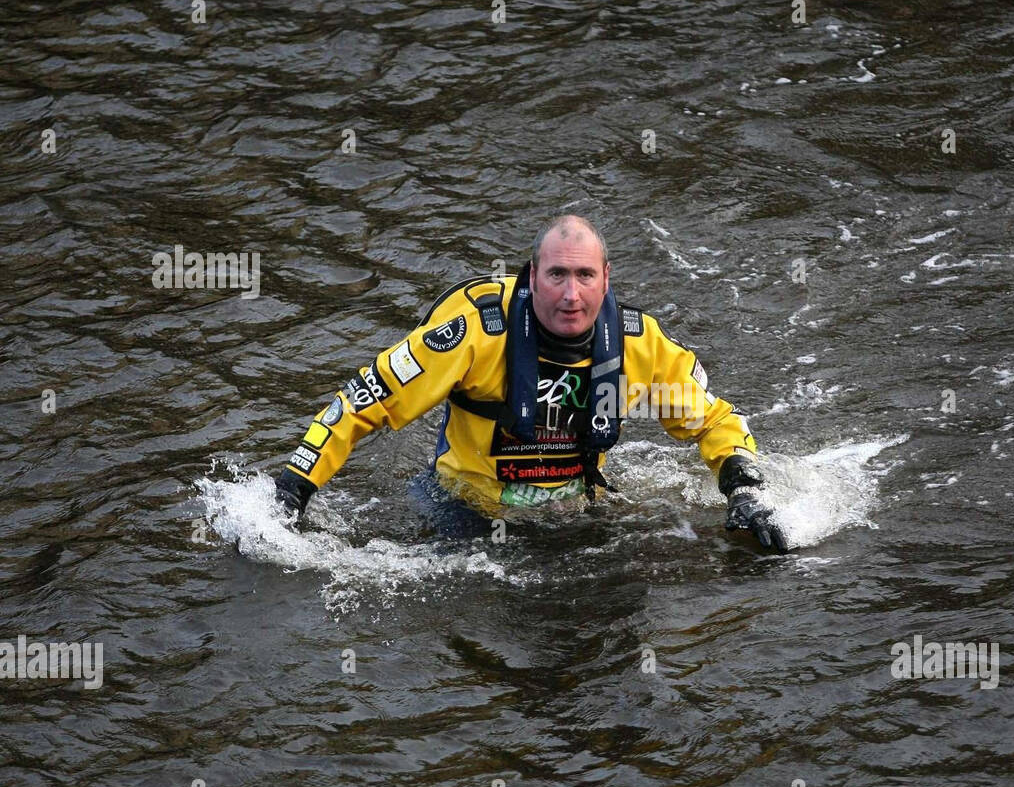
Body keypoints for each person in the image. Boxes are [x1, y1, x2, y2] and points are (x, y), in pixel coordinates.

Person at [273, 215, 791, 552]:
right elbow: (365, 399)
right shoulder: (472, 334)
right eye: (557, 275)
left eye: (585, 276)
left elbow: (716, 421)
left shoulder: (639, 344)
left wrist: (743, 490)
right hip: (466, 509)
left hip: (579, 510)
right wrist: (295, 487)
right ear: (532, 274)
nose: (571, 295)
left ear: (606, 279)